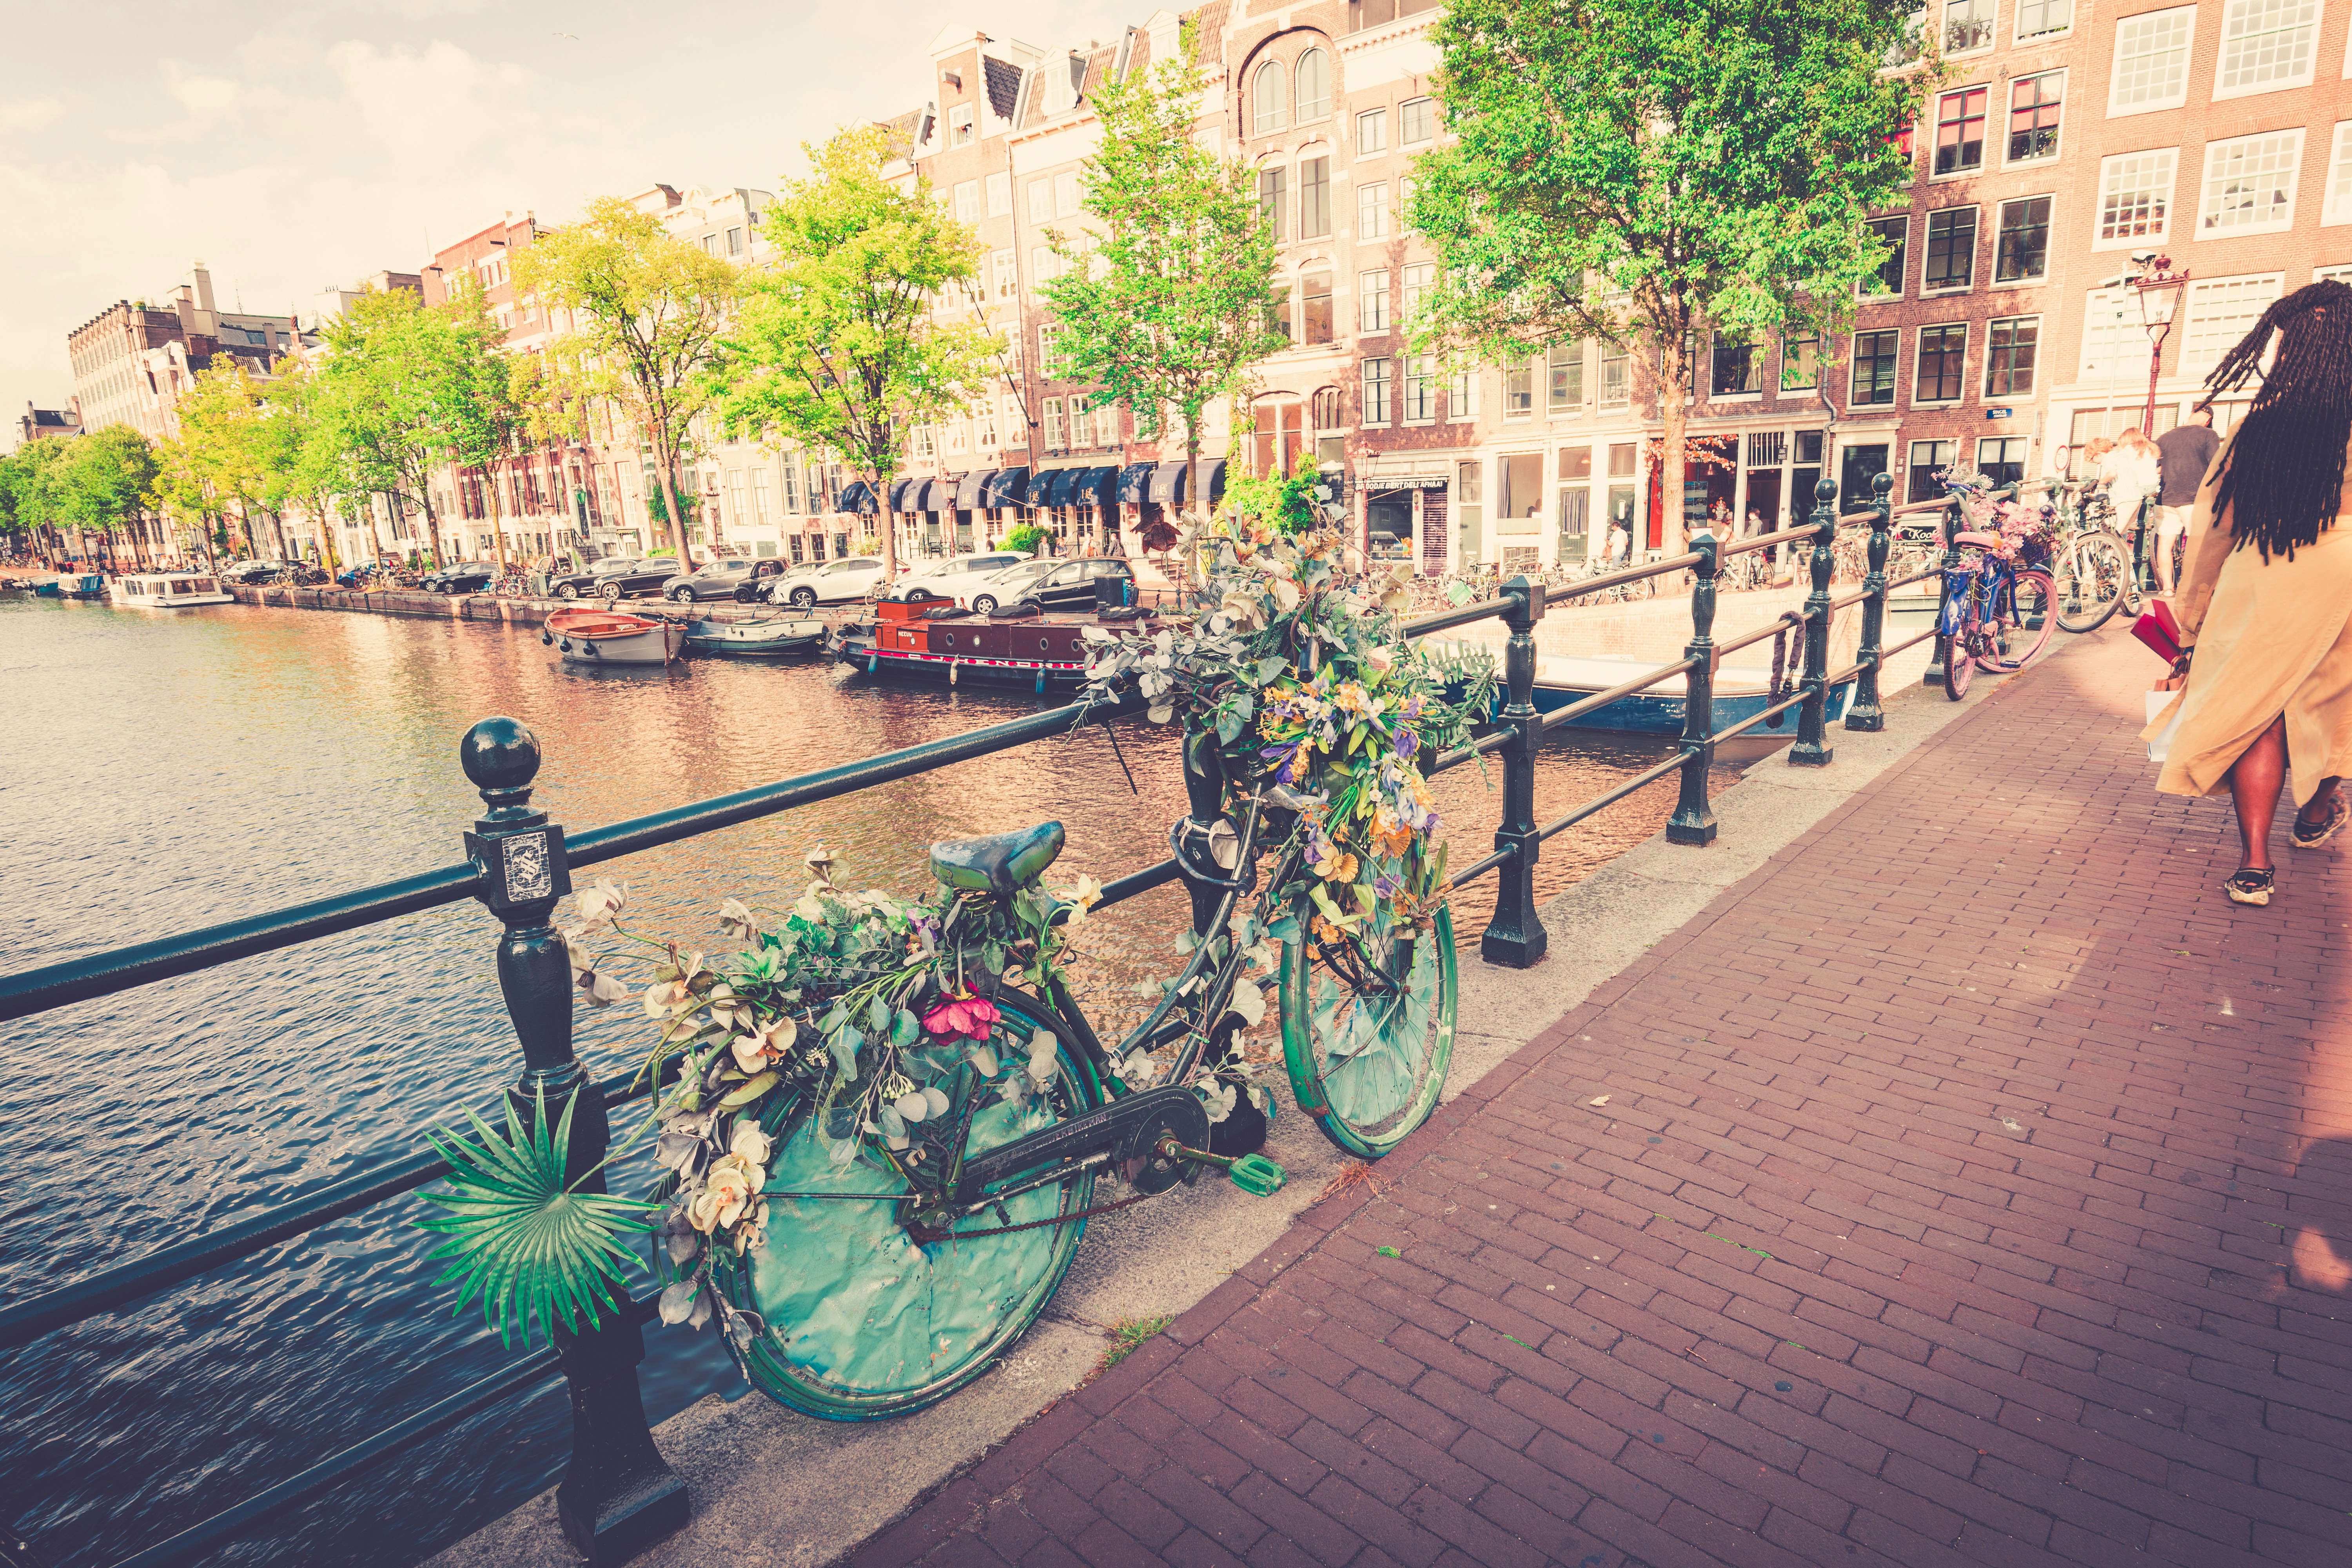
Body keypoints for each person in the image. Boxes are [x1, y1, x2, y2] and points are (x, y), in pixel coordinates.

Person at [2145, 278, 2352, 906]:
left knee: (2257, 719)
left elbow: (2212, 534)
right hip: (2344, 579)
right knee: (2333, 710)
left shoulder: (2257, 431)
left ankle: (2255, 865)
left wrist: (2190, 625)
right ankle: (2319, 807)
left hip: (2260, 578)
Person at [2153, 407, 2220, 595]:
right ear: (2208, 419)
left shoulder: (2165, 437)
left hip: (2166, 499)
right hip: (2194, 499)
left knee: (2165, 544)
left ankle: (2167, 588)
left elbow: (2158, 468)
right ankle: (2190, 587)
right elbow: (2216, 465)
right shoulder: (2208, 435)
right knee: (2196, 543)